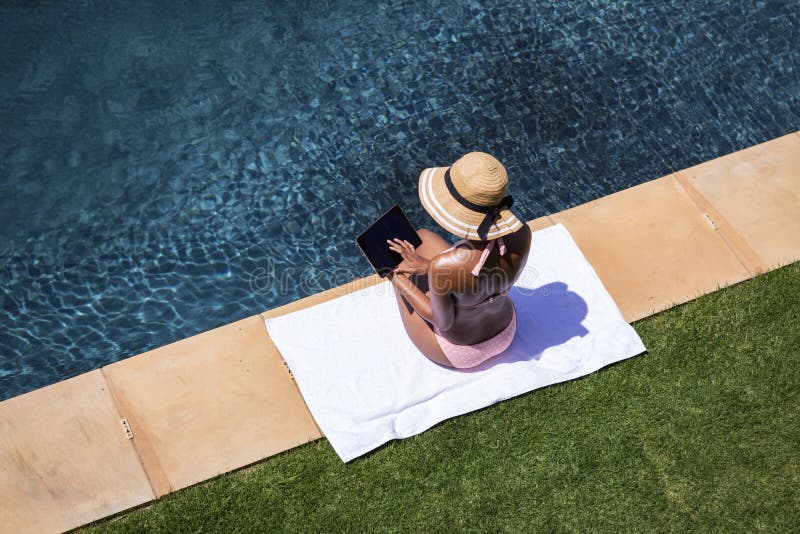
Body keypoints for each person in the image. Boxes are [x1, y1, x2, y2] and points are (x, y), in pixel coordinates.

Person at [387, 152, 532, 369]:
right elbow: (481, 273)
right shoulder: (523, 234)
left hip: (460, 352)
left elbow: (442, 322)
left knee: (400, 271)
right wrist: (432, 269)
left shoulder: (445, 266)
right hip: (506, 330)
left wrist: (396, 278)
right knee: (424, 237)